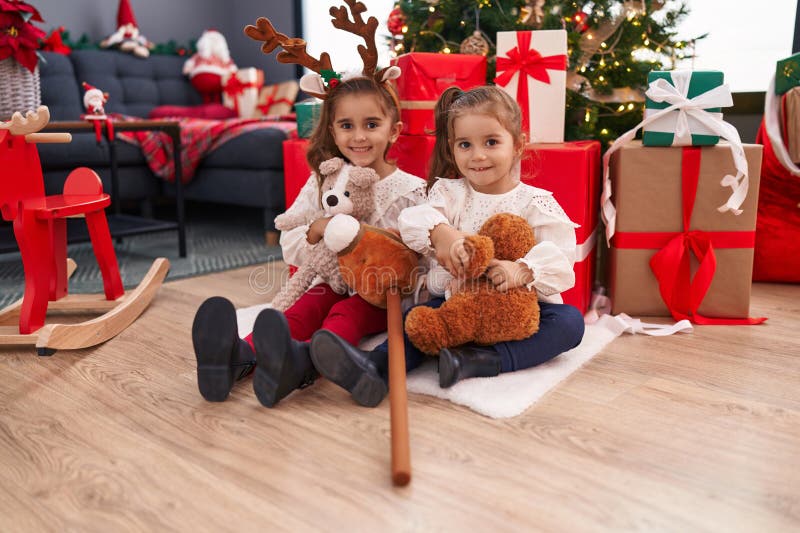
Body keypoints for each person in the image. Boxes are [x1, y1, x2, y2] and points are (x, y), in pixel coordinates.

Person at [310, 86, 585, 404]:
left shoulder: (535, 202)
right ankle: (376, 368)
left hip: (515, 314)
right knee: (415, 317)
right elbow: (413, 220)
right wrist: (442, 234)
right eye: (465, 145)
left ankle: (478, 361)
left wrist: (522, 270)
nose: (478, 155)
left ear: (519, 144)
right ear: (452, 148)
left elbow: (562, 259)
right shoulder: (450, 194)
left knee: (569, 322)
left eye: (491, 142)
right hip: (457, 305)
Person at [191, 74, 427, 406]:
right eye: (347, 125)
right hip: (330, 279)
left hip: (379, 293)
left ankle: (303, 363)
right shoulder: (326, 179)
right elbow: (291, 241)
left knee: (346, 313)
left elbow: (421, 256)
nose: (359, 136)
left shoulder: (411, 191)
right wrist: (321, 232)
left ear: (394, 130)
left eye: (371, 124)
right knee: (305, 308)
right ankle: (237, 357)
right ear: (333, 130)